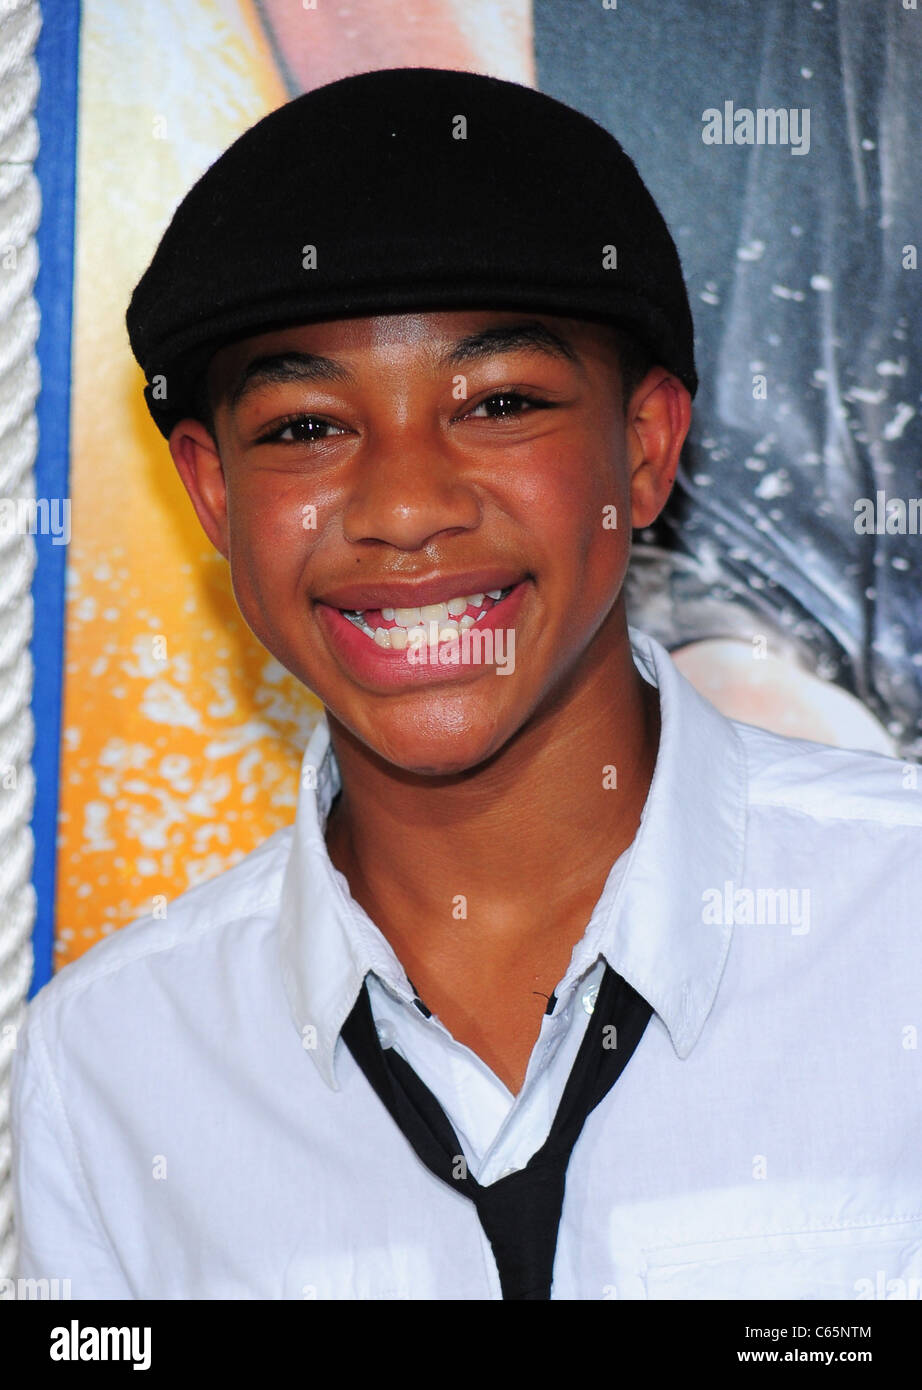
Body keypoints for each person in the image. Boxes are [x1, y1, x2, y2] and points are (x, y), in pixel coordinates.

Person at [11, 67, 922, 1301]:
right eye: (303, 428)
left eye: (499, 403)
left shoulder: (896, 925)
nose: (403, 508)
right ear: (213, 492)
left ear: (645, 451)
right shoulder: (111, 1064)